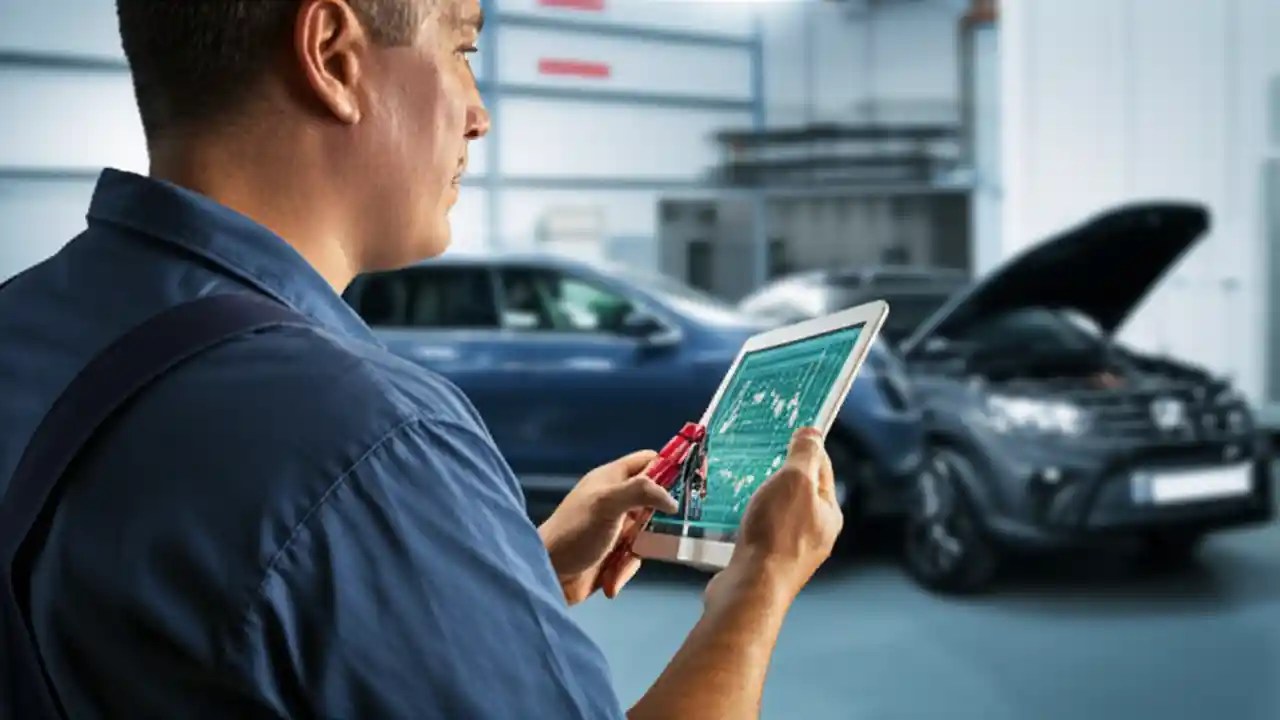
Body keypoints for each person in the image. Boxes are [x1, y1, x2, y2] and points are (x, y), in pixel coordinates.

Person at [0, 0, 844, 717]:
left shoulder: (26, 322)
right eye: (462, 48)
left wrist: (517, 565)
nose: (480, 112)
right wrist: (759, 584)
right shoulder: (370, 442)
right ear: (334, 56)